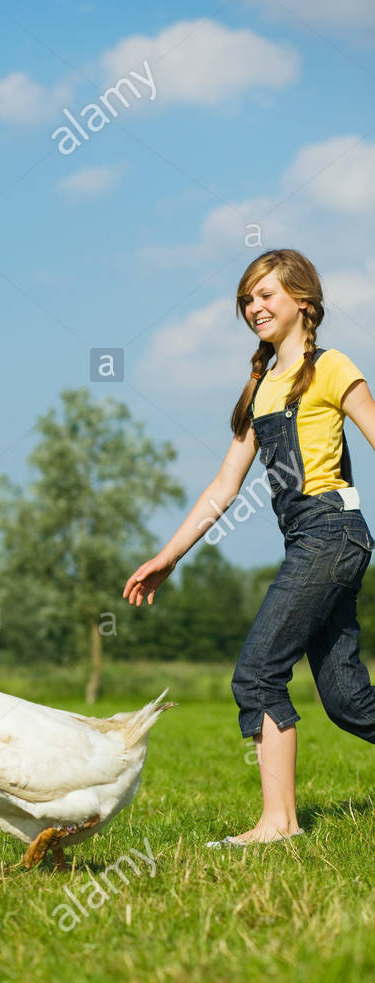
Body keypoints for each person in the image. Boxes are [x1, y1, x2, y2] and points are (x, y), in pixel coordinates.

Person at [123, 248, 375, 845]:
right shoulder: (261, 386)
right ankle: (279, 821)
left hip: (332, 532)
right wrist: (169, 555)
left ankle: (278, 824)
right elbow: (223, 486)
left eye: (266, 295)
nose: (253, 307)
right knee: (345, 699)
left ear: (304, 303)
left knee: (257, 674)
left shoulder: (333, 366)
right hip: (307, 542)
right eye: (247, 299)